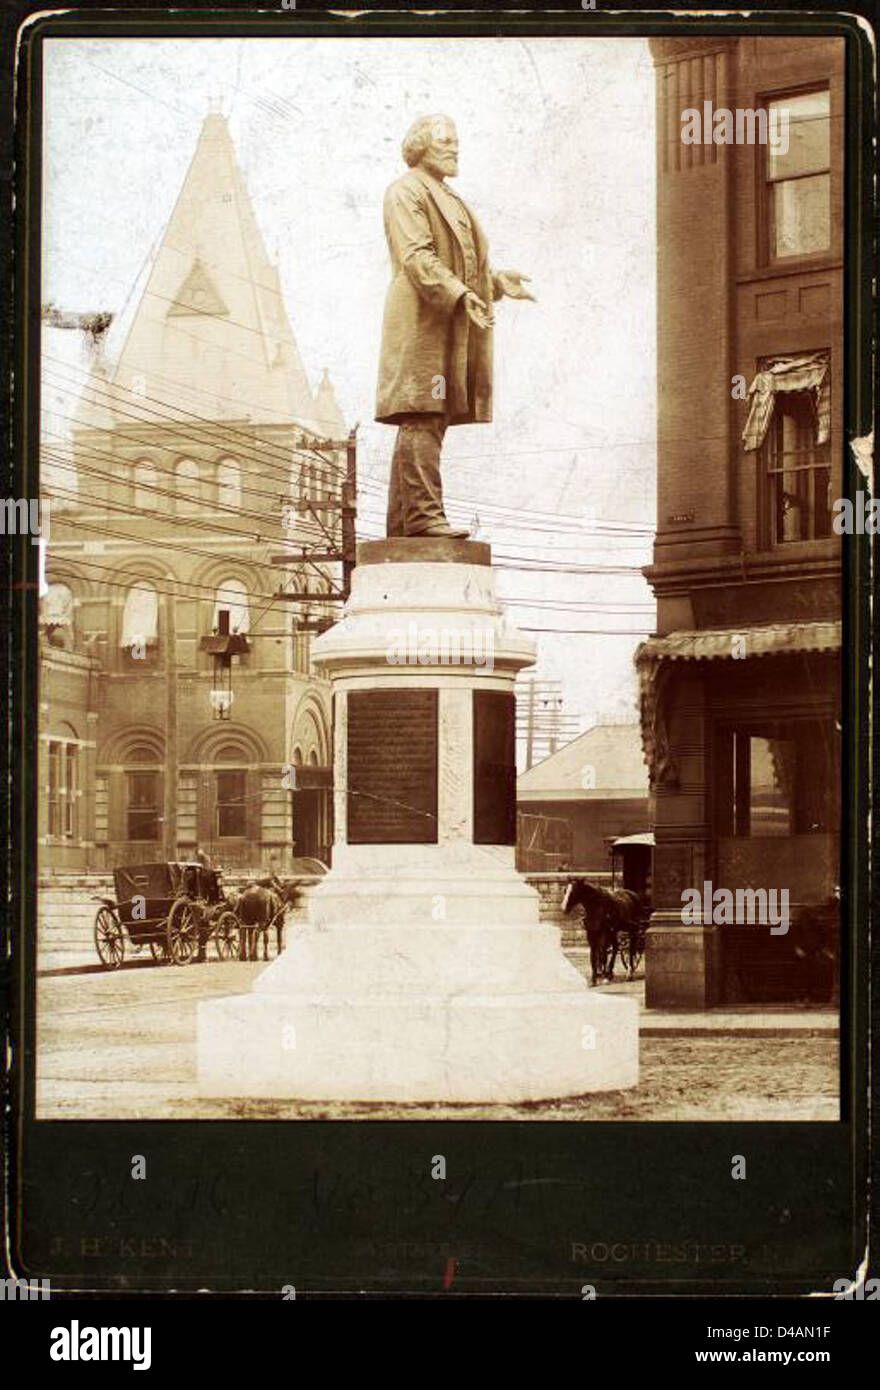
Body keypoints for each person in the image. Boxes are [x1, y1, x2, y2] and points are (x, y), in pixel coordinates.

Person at [375, 115, 535, 538]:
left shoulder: (447, 196)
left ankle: (404, 526)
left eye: (457, 142)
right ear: (420, 146)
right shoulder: (405, 190)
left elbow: (459, 261)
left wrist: (495, 283)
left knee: (429, 415)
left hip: (445, 321)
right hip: (419, 323)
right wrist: (462, 296)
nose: (455, 149)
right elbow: (417, 257)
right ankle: (425, 519)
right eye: (445, 142)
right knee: (422, 413)